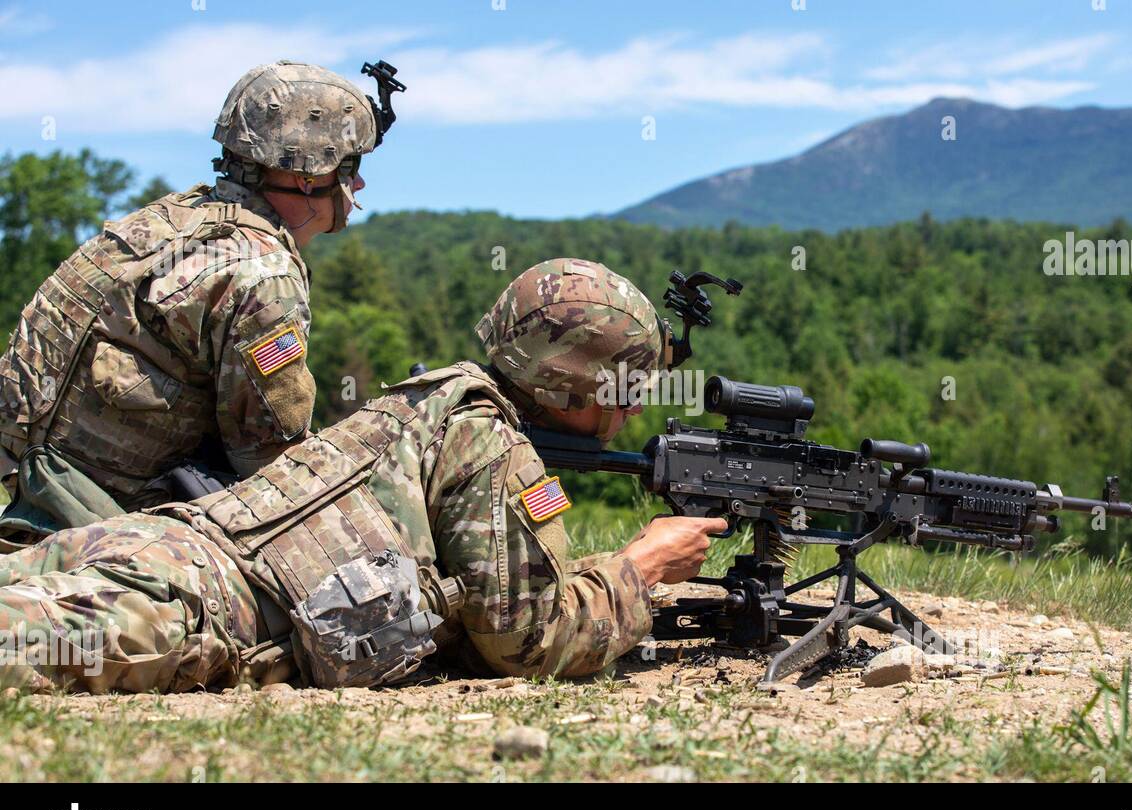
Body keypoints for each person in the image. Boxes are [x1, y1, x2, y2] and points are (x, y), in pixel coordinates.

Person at [0, 259, 725, 693]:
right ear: (580, 383)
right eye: (627, 389)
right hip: (200, 605)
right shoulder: (489, 441)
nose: (632, 409)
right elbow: (523, 639)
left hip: (155, 542)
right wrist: (639, 567)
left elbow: (483, 592)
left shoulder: (436, 396)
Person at [0, 60, 399, 551]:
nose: (357, 186)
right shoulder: (262, 275)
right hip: (92, 541)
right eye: (350, 168)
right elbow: (274, 469)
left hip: (22, 495)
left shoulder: (159, 221)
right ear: (306, 179)